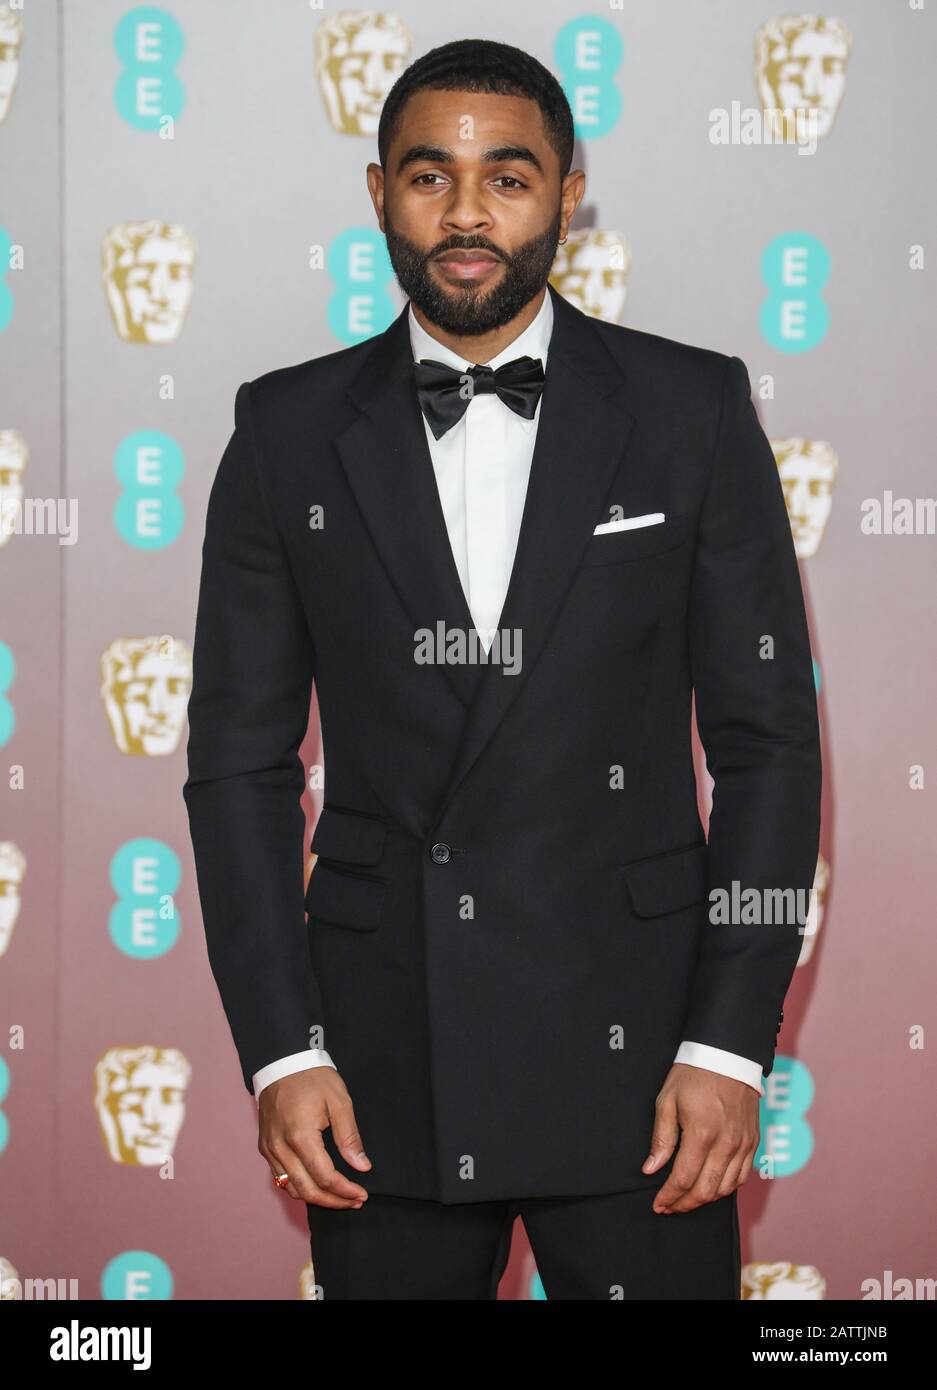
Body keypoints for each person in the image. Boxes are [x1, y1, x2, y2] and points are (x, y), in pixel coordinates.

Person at [182, 38, 821, 1300]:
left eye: (508, 177)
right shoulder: (285, 430)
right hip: (377, 1059)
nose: (466, 214)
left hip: (648, 1062)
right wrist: (280, 1051)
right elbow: (239, 767)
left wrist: (729, 1046)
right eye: (429, 177)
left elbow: (767, 748)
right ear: (378, 195)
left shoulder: (691, 409)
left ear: (568, 193)